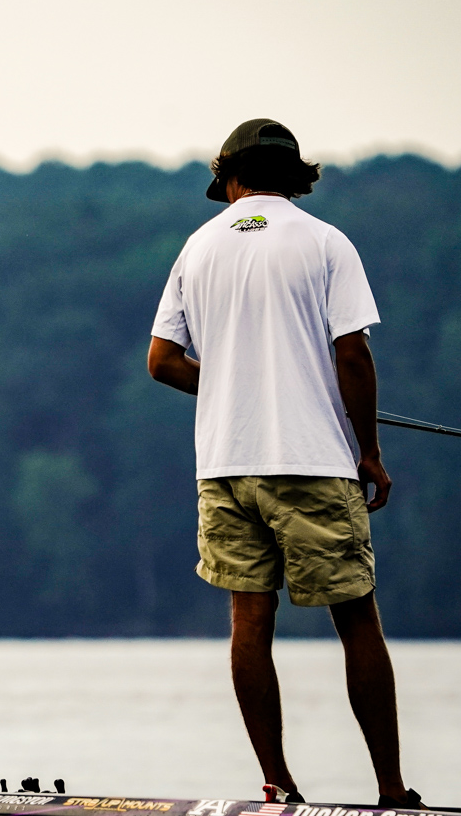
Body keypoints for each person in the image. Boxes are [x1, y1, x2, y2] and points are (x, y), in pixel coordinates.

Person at [146, 119, 423, 809]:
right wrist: (370, 450)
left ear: (231, 177)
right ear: (294, 175)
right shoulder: (326, 242)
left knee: (249, 620)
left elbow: (161, 361)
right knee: (356, 617)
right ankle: (390, 788)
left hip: (225, 466)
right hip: (311, 459)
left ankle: (278, 784)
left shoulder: (198, 246)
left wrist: (233, 381)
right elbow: (353, 354)